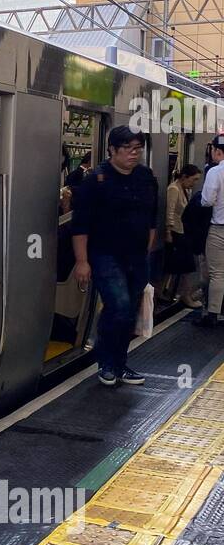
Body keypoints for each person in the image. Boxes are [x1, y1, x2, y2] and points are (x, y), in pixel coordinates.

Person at [71, 126, 157, 387]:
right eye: (128, 149)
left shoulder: (145, 177)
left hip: (137, 256)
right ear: (112, 150)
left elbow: (152, 217)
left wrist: (147, 249)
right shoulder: (95, 180)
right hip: (105, 255)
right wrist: (82, 261)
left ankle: (120, 364)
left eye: (138, 149)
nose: (134, 154)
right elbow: (80, 225)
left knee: (128, 311)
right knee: (118, 306)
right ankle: (105, 363)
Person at [163, 164, 203, 308]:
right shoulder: (174, 189)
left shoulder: (183, 189)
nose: (194, 183)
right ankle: (184, 296)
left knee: (178, 266)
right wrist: (168, 232)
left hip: (181, 232)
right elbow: (170, 211)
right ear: (185, 177)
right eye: (193, 179)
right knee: (186, 266)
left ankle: (170, 293)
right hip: (175, 232)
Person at [199, 136, 224, 326]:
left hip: (219, 229)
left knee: (217, 274)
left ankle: (213, 313)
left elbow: (207, 201)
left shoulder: (215, 172)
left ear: (217, 151)